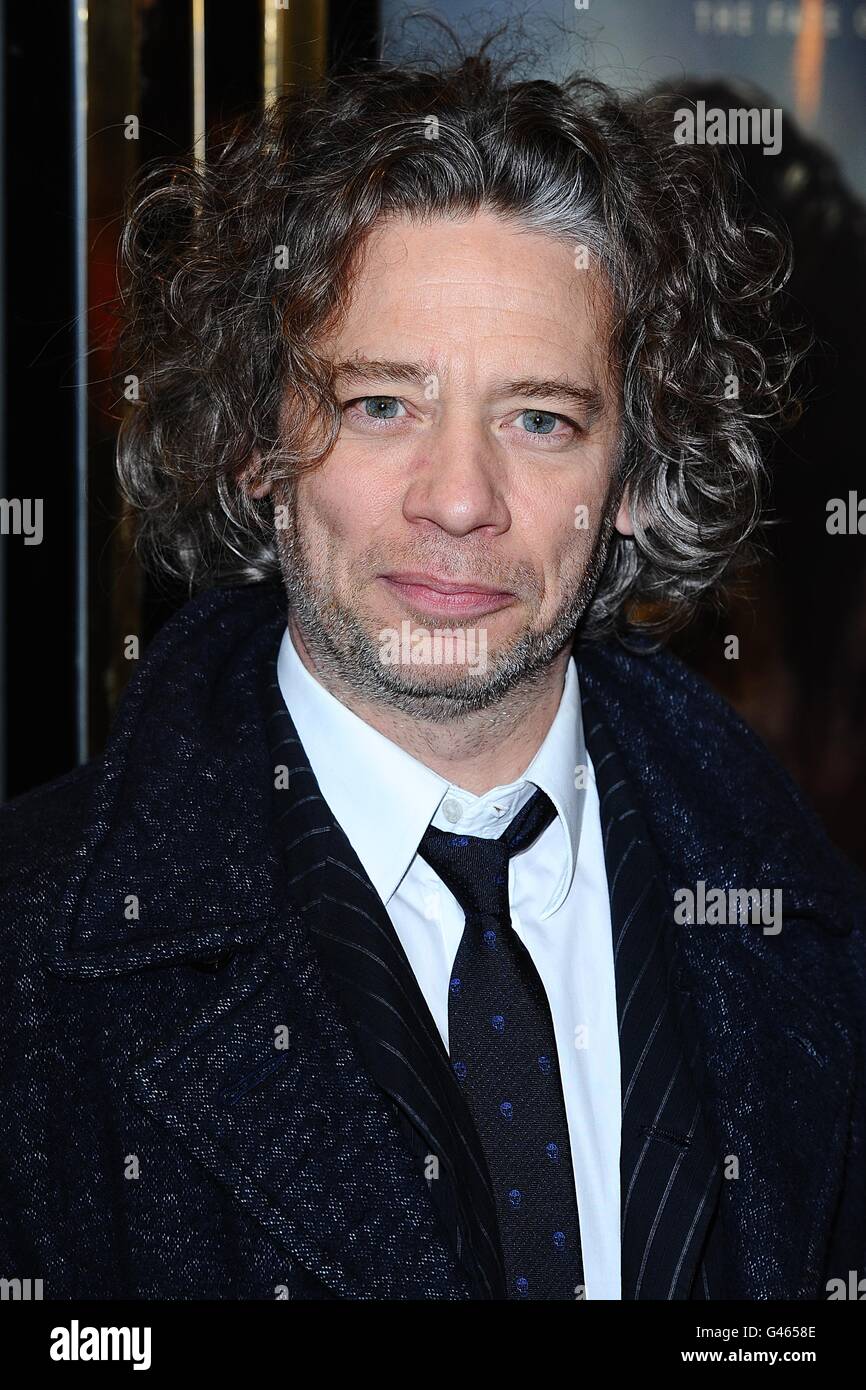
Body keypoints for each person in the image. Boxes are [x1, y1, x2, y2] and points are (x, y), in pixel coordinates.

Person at [1, 43, 864, 1302]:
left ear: (629, 478)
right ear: (254, 443)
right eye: (380, 405)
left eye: (539, 419)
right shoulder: (32, 963)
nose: (459, 499)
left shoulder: (810, 929)